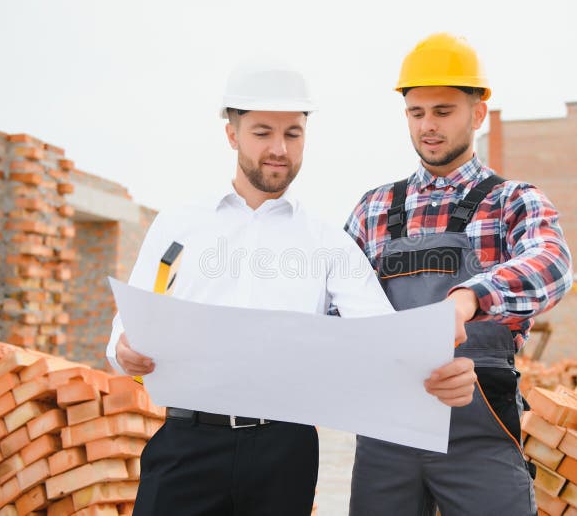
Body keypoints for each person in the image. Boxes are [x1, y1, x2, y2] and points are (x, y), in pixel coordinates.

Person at [105, 56, 477, 516]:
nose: (278, 148)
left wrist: (440, 370)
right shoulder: (179, 226)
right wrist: (124, 352)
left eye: (292, 134)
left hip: (284, 453)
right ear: (231, 134)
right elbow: (127, 330)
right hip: (186, 446)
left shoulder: (327, 242)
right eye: (262, 132)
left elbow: (384, 340)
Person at [345, 33, 574, 516]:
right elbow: (333, 304)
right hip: (387, 429)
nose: (428, 126)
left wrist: (469, 296)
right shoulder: (374, 209)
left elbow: (552, 263)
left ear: (478, 113)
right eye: (417, 112)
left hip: (479, 425)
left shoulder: (513, 201)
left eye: (443, 111)